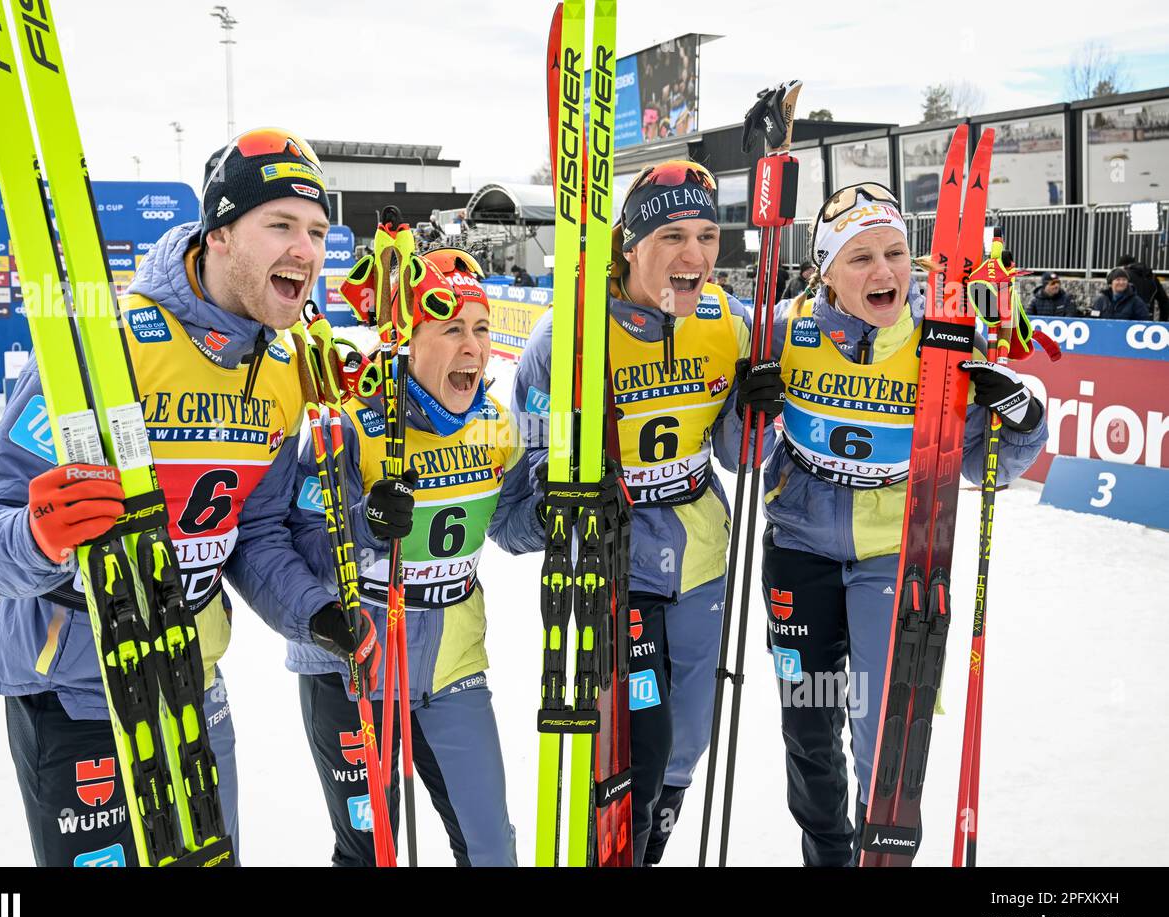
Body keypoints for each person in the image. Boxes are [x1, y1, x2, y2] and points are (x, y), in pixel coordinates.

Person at [0, 127, 339, 866]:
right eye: (280, 224)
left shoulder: (282, 368)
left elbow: (255, 534)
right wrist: (37, 536)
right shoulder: (109, 346)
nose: (306, 250)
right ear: (219, 234)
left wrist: (315, 614)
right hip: (79, 694)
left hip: (193, 687)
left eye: (316, 230)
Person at [501, 159, 776, 866]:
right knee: (642, 748)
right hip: (617, 564)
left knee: (686, 741)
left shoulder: (728, 323)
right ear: (629, 243)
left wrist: (755, 416)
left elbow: (742, 457)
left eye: (709, 236)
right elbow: (511, 516)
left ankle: (643, 845)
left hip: (702, 559)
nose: (695, 257)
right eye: (672, 237)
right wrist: (561, 503)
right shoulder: (566, 338)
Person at [765, 183, 1048, 866]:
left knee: (882, 729)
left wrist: (1024, 421)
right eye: (859, 257)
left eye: (895, 252)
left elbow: (988, 464)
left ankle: (882, 854)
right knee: (809, 726)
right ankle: (827, 853)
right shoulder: (784, 329)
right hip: (799, 549)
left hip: (897, 555)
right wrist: (745, 410)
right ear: (823, 271)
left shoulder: (941, 339)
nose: (884, 271)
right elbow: (734, 444)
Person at [287, 248, 525, 866]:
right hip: (353, 661)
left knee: (491, 846)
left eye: (481, 328)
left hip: (452, 661)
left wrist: (562, 508)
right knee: (372, 851)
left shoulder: (497, 425)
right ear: (410, 342)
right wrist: (365, 526)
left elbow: (509, 527)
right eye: (452, 329)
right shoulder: (350, 425)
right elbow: (298, 545)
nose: (472, 347)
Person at [1115, 253, 1169, 321]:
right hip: (1147, 322)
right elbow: (1164, 301)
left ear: (1123, 266)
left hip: (1127, 321)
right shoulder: (1151, 276)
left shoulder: (1124, 276)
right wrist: (1162, 322)